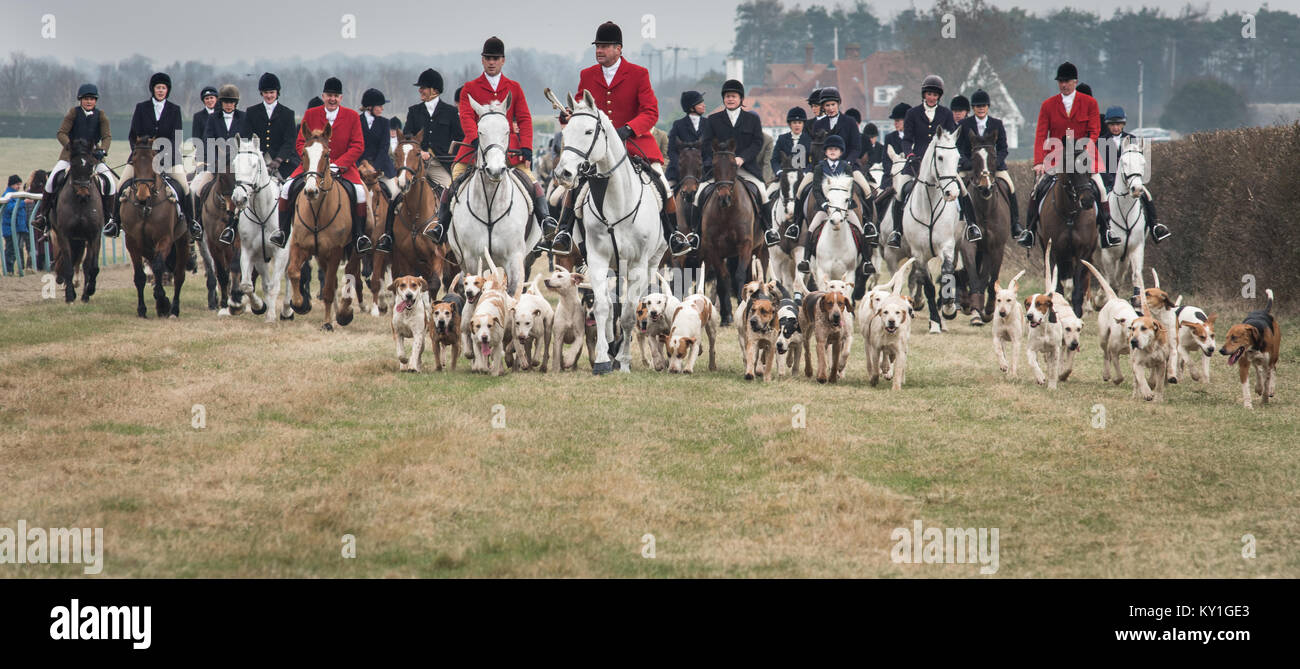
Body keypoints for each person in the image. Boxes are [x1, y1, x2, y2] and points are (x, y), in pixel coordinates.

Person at [546, 22, 681, 256]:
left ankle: (674, 234)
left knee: (662, 184)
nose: (599, 50)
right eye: (597, 46)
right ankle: (565, 231)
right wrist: (569, 114)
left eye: (605, 46)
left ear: (619, 48)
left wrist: (629, 129)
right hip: (597, 149)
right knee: (575, 186)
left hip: (635, 144)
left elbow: (650, 112)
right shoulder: (587, 75)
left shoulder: (639, 73)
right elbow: (580, 107)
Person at [422, 36, 554, 252]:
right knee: (453, 181)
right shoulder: (470, 88)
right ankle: (441, 225)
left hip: (508, 150)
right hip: (473, 149)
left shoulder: (514, 87)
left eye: (496, 58)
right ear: (482, 61)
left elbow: (524, 119)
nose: (492, 62)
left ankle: (546, 221)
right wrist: (475, 139)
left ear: (503, 61)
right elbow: (465, 116)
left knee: (532, 182)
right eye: (488, 58)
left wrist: (527, 148)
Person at [269, 77, 372, 253]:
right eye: (329, 95)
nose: (332, 99)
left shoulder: (352, 116)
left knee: (360, 193)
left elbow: (358, 146)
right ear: (323, 96)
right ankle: (283, 232)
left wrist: (337, 165)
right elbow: (300, 142)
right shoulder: (310, 114)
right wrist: (311, 161)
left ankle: (359, 235)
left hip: (344, 168)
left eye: (336, 96)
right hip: (312, 167)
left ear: (341, 98)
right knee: (286, 188)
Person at [1022, 62, 1108, 248]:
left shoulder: (1090, 103)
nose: (1064, 85)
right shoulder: (1048, 105)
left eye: (1067, 81)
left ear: (1075, 82)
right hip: (1056, 159)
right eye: (1061, 81)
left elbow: (1095, 131)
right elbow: (1040, 134)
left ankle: (1107, 230)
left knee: (1101, 189)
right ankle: (1029, 231)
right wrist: (1039, 162)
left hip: (1084, 158)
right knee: (1037, 189)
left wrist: (1085, 150)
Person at [896, 74, 981, 244]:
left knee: (963, 192)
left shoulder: (946, 114)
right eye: (929, 94)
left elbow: (952, 140)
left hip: (942, 165)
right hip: (917, 163)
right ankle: (897, 231)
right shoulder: (912, 113)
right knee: (901, 191)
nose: (932, 97)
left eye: (935, 95)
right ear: (924, 94)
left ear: (939, 96)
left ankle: (972, 226)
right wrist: (910, 155)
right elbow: (907, 140)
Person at [109, 72, 194, 239]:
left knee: (184, 186)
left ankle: (192, 223)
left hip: (169, 159)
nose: (161, 90)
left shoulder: (175, 110)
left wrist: (162, 158)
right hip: (141, 160)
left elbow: (176, 137)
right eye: (158, 87)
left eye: (163, 88)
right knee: (120, 186)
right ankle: (115, 222)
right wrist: (139, 154)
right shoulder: (141, 108)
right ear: (153, 89)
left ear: (167, 90)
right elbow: (133, 135)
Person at [692, 78, 768, 251]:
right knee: (698, 195)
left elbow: (757, 142)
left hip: (745, 168)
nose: (730, 99)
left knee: (763, 192)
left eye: (733, 96)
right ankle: (695, 234)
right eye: (727, 96)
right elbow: (706, 144)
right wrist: (717, 162)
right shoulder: (713, 119)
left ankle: (768, 230)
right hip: (720, 171)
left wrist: (743, 158)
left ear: (741, 99)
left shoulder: (752, 119)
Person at [32, 83, 114, 233]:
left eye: (92, 99)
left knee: (110, 182)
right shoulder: (73, 113)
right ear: (80, 100)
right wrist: (71, 147)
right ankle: (43, 217)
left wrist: (102, 150)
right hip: (70, 157)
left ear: (95, 101)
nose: (89, 101)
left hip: (92, 158)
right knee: (52, 180)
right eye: (86, 99)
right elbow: (61, 133)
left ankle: (110, 220)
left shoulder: (101, 115)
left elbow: (107, 136)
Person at [793, 134, 875, 276]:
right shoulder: (820, 168)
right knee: (811, 229)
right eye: (830, 149)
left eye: (836, 149)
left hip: (844, 209)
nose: (832, 151)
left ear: (841, 152)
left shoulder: (846, 167)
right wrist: (824, 204)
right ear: (825, 152)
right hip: (825, 208)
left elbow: (850, 189)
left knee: (860, 230)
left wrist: (847, 202)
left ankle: (867, 261)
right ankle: (806, 259)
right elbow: (817, 190)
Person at [956, 88, 1021, 240]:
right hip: (970, 168)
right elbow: (958, 149)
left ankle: (1015, 224)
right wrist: (967, 163)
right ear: (973, 108)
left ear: (988, 107)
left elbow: (1004, 149)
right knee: (957, 187)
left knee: (1010, 187)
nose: (981, 108)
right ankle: (961, 220)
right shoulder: (965, 124)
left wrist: (995, 164)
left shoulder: (997, 124)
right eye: (978, 106)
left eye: (983, 105)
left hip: (992, 168)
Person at [1098, 105, 1167, 244]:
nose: (1116, 128)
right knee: (1099, 198)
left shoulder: (1132, 139)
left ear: (1123, 124)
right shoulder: (1101, 141)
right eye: (1112, 125)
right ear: (1107, 125)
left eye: (1118, 124)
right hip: (1108, 181)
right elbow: (1100, 166)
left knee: (1146, 195)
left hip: (1129, 181)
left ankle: (1154, 226)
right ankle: (1104, 230)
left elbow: (1138, 161)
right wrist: (1110, 180)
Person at [192, 84, 246, 245]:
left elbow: (245, 140)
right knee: (197, 188)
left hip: (237, 167)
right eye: (226, 102)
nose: (228, 105)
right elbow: (207, 140)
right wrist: (216, 161)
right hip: (216, 164)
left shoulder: (243, 117)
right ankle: (197, 224)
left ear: (235, 103)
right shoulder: (213, 118)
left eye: (231, 102)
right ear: (220, 103)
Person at [242, 72, 298, 180]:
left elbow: (290, 141)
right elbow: (247, 137)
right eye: (265, 92)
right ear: (261, 93)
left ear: (277, 93)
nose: (269, 96)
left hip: (282, 164)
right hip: (257, 162)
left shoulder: (288, 113)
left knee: (291, 188)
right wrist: (257, 158)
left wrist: (278, 159)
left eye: (272, 92)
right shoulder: (251, 112)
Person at [878, 103, 909, 247]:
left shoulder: (912, 137)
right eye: (895, 120)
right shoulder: (890, 137)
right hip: (892, 177)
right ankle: (876, 229)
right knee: (878, 200)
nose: (896, 123)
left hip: (909, 176)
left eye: (899, 120)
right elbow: (885, 159)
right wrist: (892, 173)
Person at [666, 90, 706, 189]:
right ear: (692, 108)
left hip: (703, 170)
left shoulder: (709, 124)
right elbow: (671, 151)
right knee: (666, 192)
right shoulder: (678, 125)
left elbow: (711, 149)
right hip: (679, 171)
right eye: (700, 103)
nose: (704, 105)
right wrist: (680, 166)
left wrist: (705, 165)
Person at [359, 88, 396, 178]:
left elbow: (384, 148)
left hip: (382, 166)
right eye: (379, 106)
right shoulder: (356, 121)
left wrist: (374, 167)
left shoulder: (385, 122)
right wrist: (364, 164)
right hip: (360, 165)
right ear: (370, 107)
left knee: (394, 189)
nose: (382, 109)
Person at [3, 175, 31, 273]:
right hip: (10, 229)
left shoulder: (15, 195)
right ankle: (9, 270)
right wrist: (24, 203)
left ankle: (18, 268)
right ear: (11, 184)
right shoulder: (7, 196)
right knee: (11, 250)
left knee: (17, 249)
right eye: (17, 185)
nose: (18, 187)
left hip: (17, 228)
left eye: (19, 185)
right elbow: (9, 208)